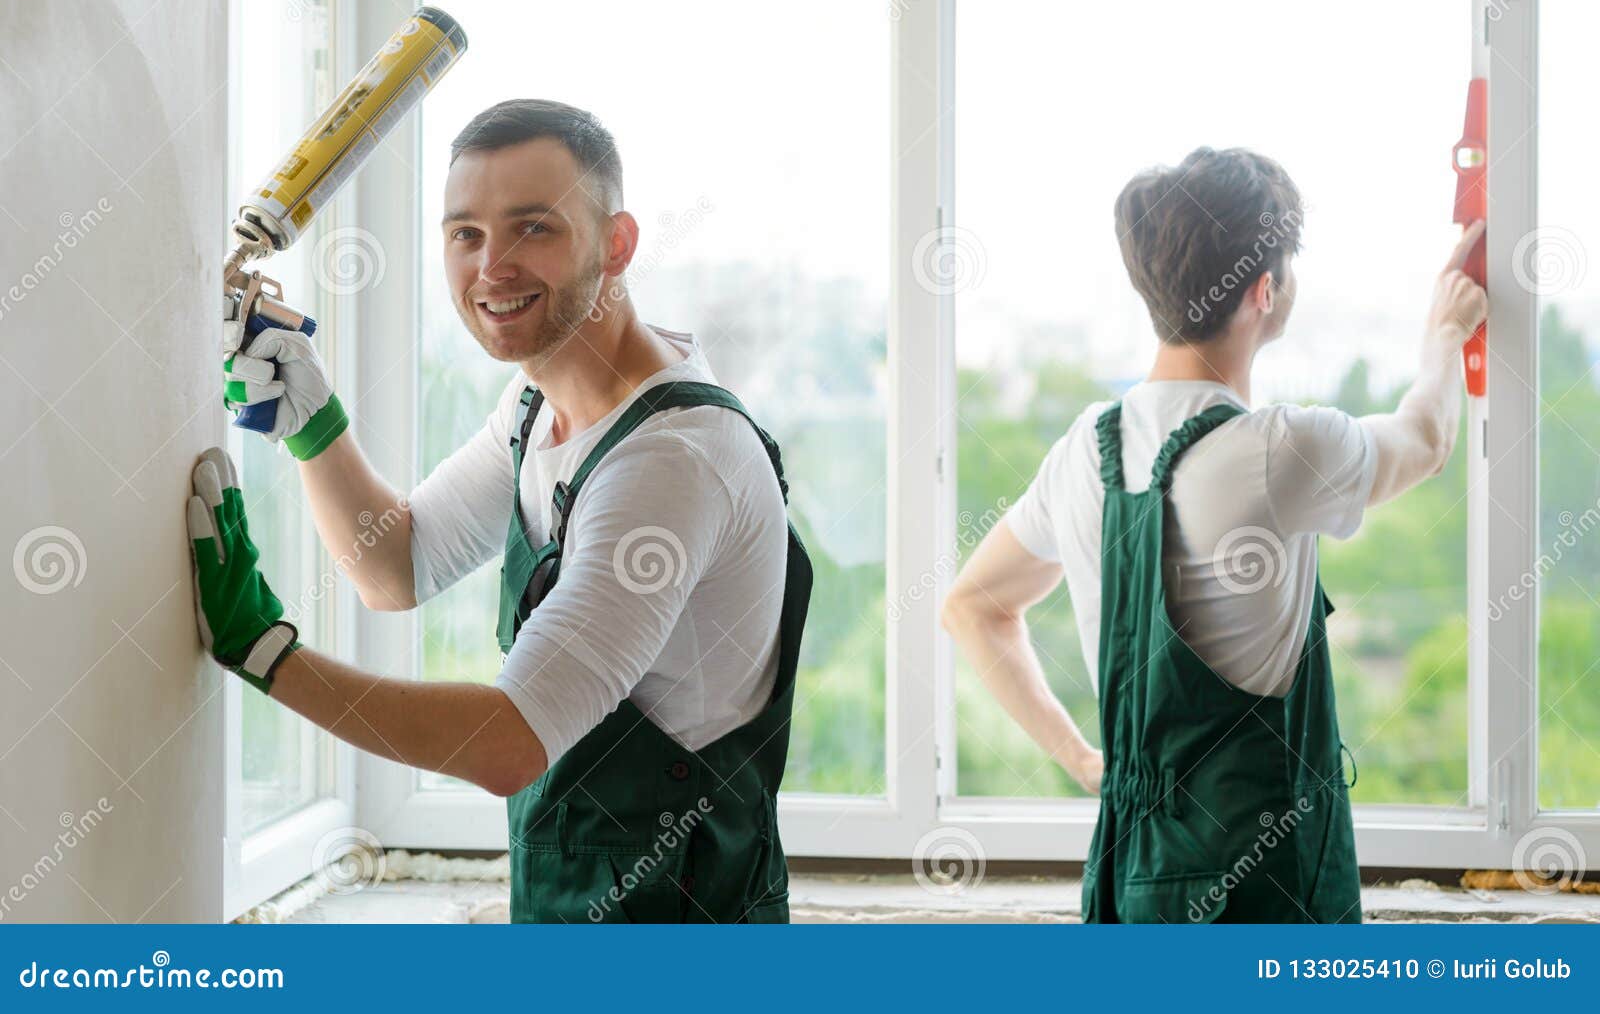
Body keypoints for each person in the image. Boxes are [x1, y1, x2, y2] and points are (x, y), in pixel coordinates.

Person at [190, 99, 811, 923]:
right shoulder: (536, 404)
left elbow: (508, 742)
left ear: (616, 244)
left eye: (534, 229)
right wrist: (313, 422)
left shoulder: (668, 463)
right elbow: (395, 564)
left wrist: (265, 652)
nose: (493, 267)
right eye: (466, 235)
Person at [940, 146, 1487, 923]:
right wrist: (1445, 329)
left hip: (1129, 886)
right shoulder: (1280, 450)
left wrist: (1087, 763)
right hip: (1263, 900)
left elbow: (973, 607)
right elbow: (1427, 439)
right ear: (1265, 291)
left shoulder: (1082, 451)